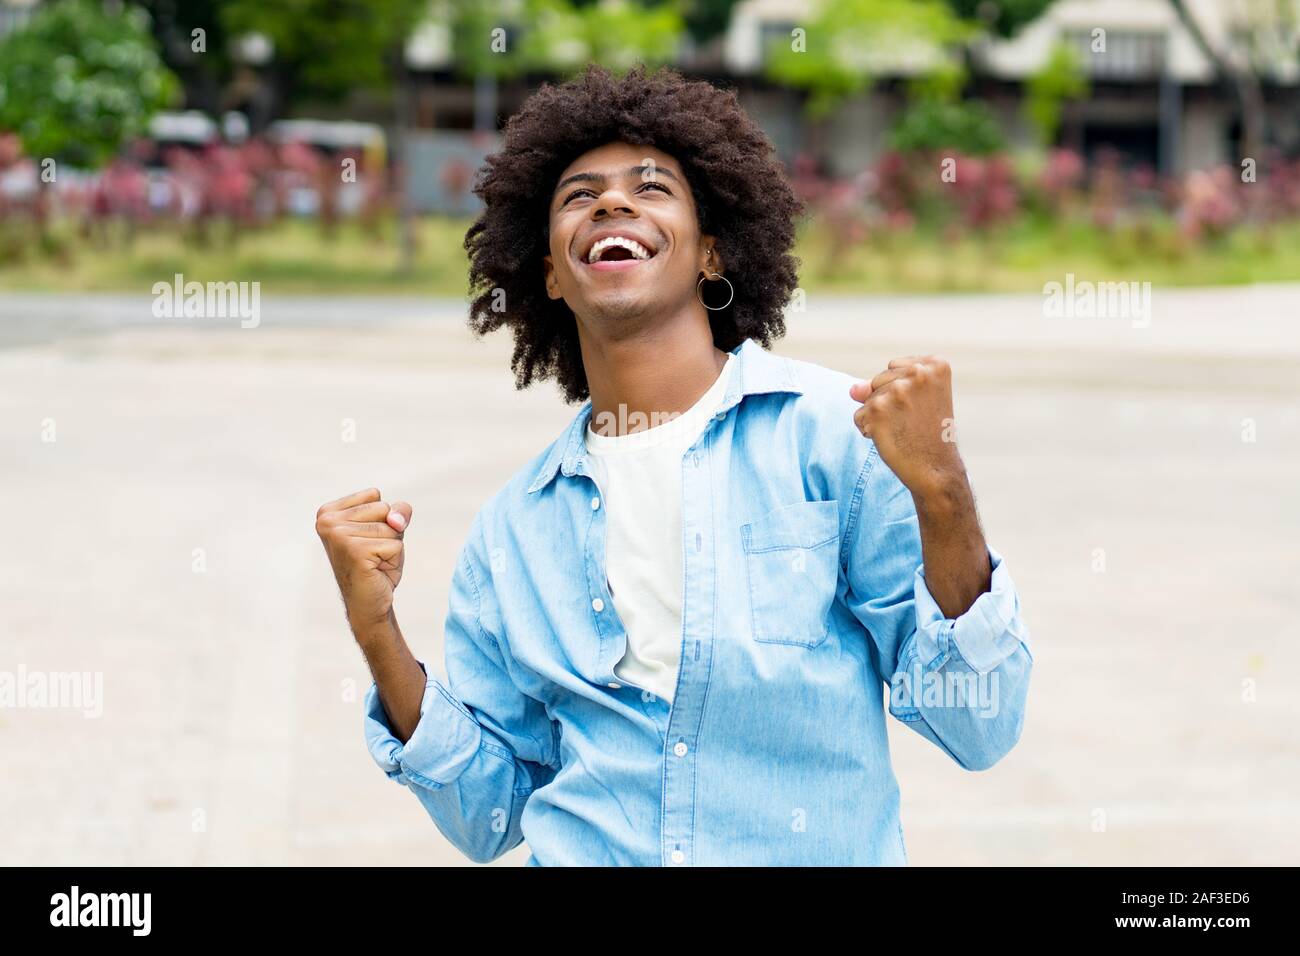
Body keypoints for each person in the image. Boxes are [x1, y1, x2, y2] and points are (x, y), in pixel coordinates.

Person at [315, 65, 1033, 866]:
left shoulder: (839, 440)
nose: (612, 203)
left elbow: (980, 724)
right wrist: (376, 631)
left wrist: (942, 492)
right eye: (578, 195)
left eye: (651, 187)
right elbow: (490, 815)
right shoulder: (513, 532)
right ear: (551, 271)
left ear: (711, 255)